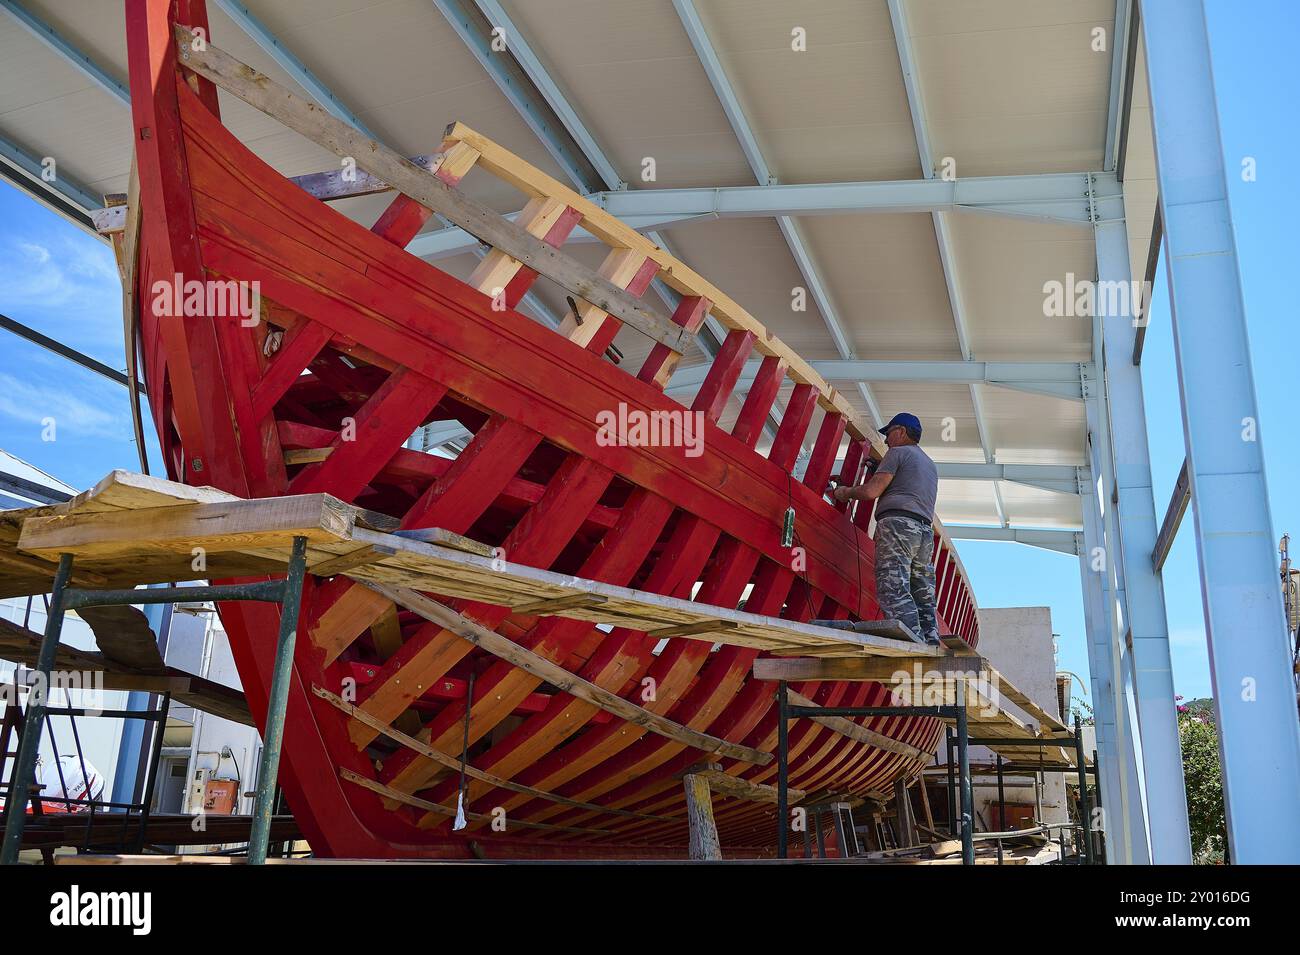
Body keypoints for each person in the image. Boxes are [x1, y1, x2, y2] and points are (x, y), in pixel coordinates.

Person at [831, 412, 939, 644]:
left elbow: (871, 492)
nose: (886, 441)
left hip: (898, 525)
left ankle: (913, 642)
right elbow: (906, 484)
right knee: (922, 589)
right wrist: (880, 469)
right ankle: (931, 641)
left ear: (900, 431)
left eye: (889, 434)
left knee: (893, 584)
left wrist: (845, 492)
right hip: (923, 532)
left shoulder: (897, 452)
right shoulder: (928, 464)